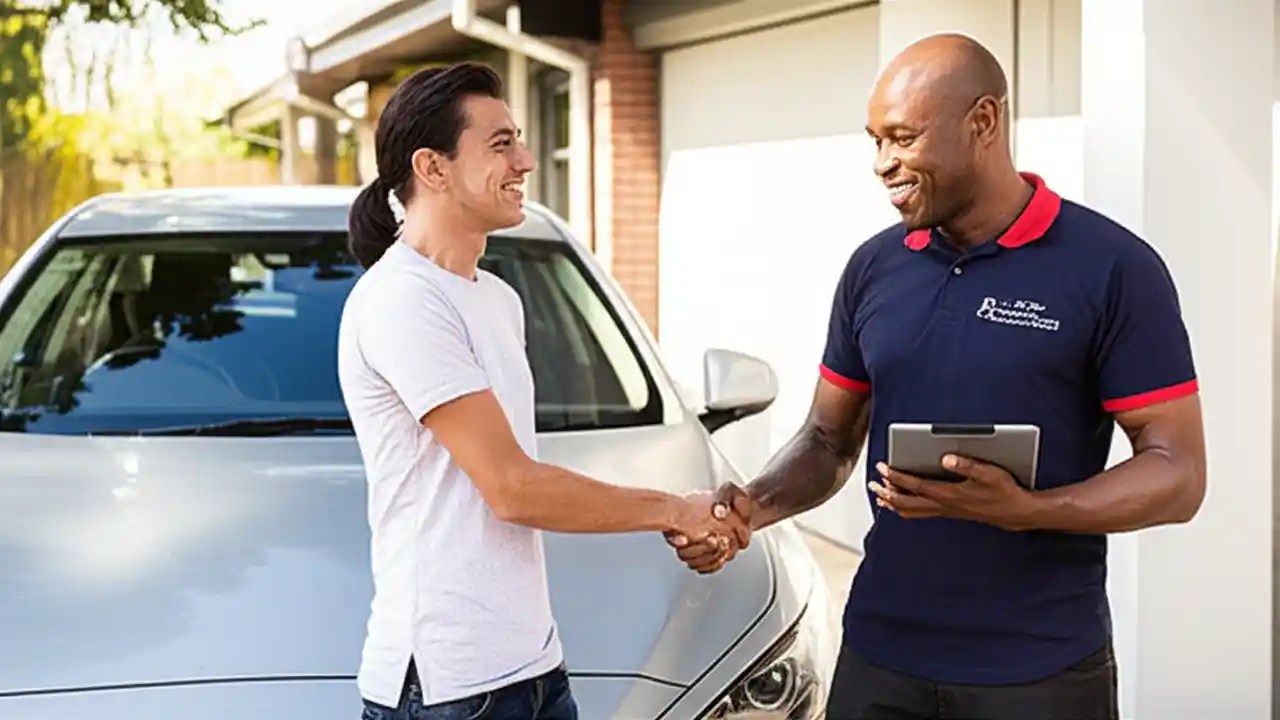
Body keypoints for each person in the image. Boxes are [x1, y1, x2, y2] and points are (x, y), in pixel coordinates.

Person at [667, 33, 1206, 719]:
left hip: (1040, 668)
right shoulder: (874, 268)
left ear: (983, 122)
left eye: (902, 138)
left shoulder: (1112, 268)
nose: (882, 163)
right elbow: (829, 441)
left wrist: (1032, 511)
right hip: (881, 658)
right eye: (875, 141)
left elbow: (1179, 472)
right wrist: (753, 507)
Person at [337, 62, 746, 720]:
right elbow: (512, 487)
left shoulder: (494, 297)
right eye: (501, 144)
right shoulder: (401, 301)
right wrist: (676, 509)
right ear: (432, 168)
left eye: (520, 140)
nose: (526, 160)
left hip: (532, 669)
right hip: (450, 687)